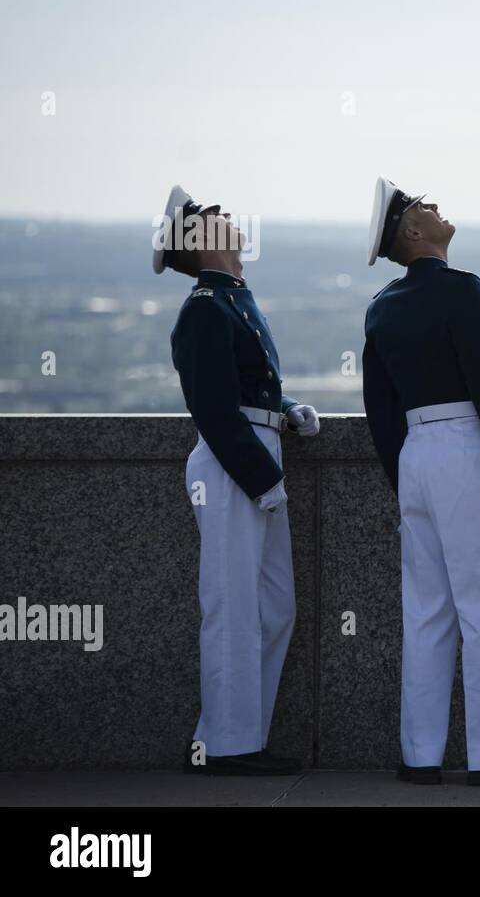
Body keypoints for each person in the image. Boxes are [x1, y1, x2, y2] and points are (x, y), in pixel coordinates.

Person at [362, 177, 480, 787]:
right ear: (412, 232)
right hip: (465, 448)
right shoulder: (463, 291)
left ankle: (420, 756)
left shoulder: (381, 306)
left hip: (415, 455)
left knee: (427, 611)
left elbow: (380, 413)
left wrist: (403, 479)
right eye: (424, 207)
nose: (437, 209)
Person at [155, 184, 320, 777]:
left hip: (255, 455)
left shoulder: (230, 299)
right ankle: (225, 746)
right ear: (200, 242)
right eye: (214, 217)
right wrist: (259, 476)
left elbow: (243, 391)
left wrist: (286, 410)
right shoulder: (205, 306)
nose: (228, 217)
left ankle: (242, 736)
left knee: (275, 608)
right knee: (232, 608)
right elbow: (214, 409)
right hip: (234, 466)